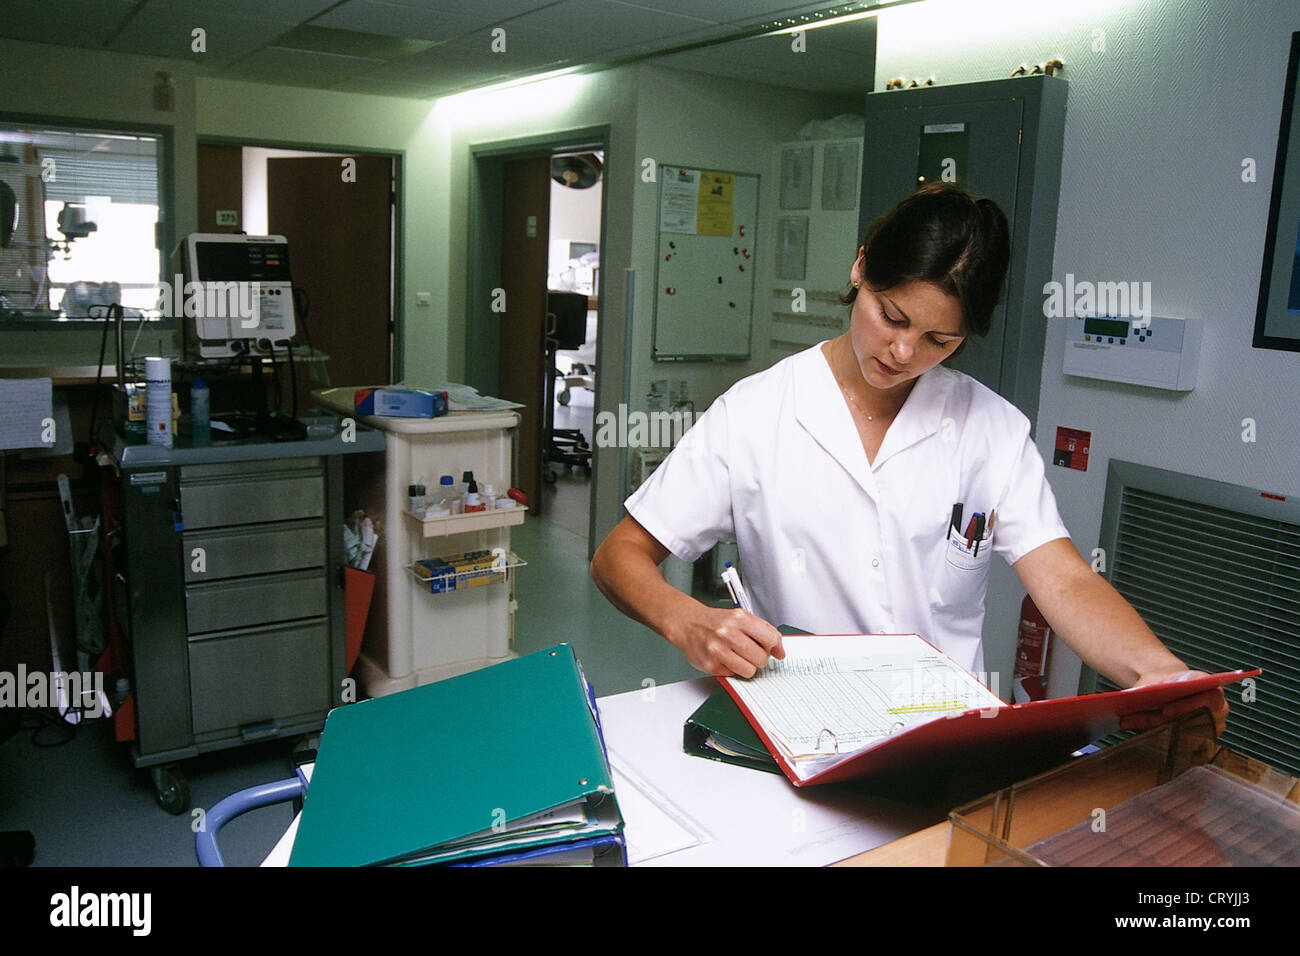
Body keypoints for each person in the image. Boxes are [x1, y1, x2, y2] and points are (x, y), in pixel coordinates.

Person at [591, 183, 1226, 734]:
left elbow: (1063, 579)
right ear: (860, 268)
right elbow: (619, 556)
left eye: (938, 339)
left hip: (942, 732)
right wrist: (690, 621)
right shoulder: (756, 412)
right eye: (890, 316)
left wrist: (1158, 670)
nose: (902, 352)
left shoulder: (992, 430)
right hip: (798, 723)